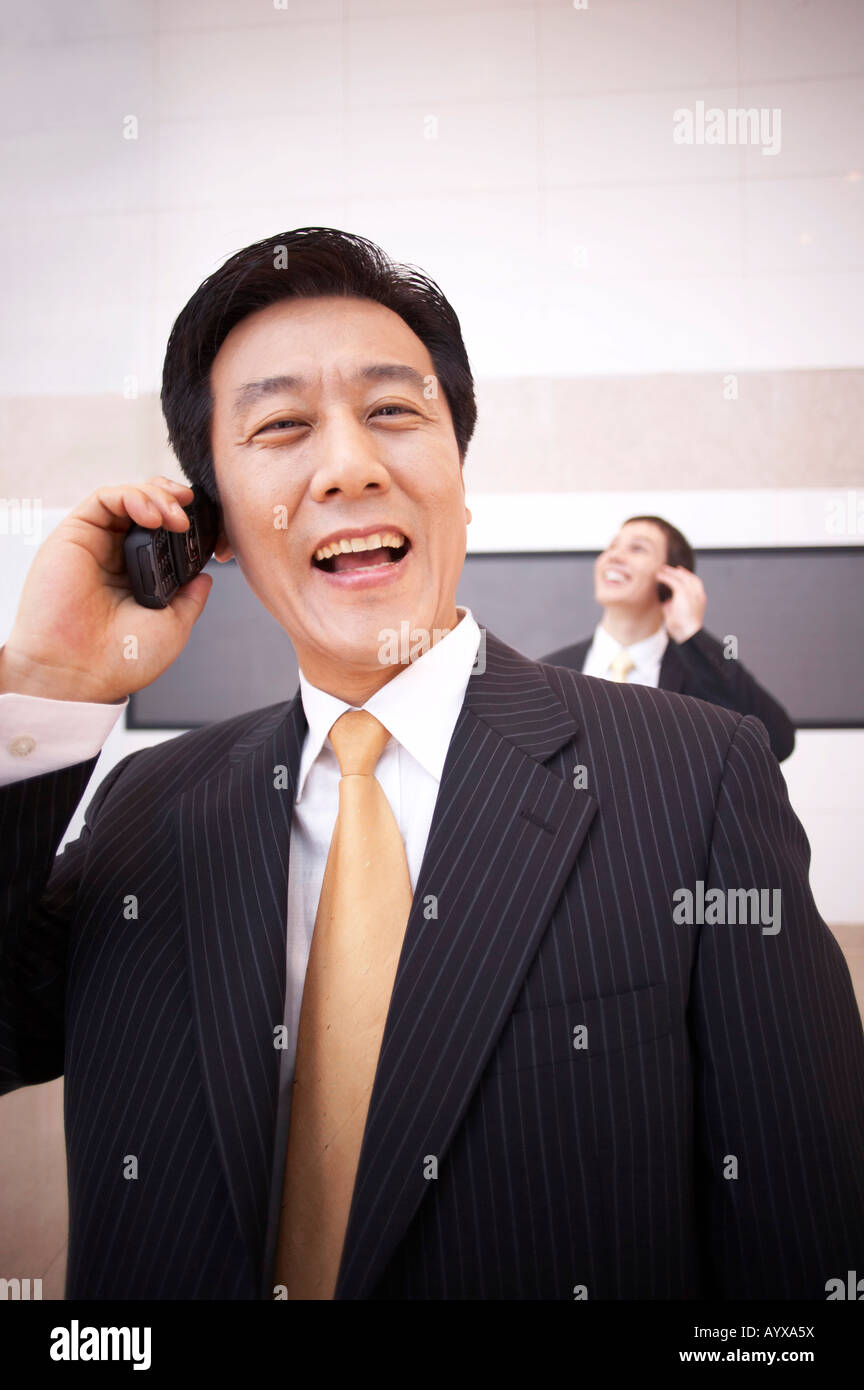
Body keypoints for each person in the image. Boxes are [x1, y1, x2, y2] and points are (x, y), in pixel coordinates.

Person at [0, 228, 861, 1302]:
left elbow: (805, 1236)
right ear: (210, 518)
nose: (352, 463)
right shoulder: (148, 807)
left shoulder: (696, 774)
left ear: (459, 475)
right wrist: (42, 683)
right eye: (280, 424)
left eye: (395, 412)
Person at [543, 516, 796, 761]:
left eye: (637, 548)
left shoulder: (699, 676)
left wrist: (691, 634)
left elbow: (776, 742)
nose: (614, 556)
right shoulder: (550, 672)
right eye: (612, 546)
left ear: (673, 577)